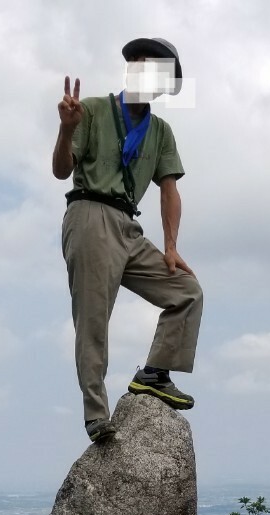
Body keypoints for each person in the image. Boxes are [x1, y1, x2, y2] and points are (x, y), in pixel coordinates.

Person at [52, 38, 203, 443]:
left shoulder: (161, 131)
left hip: (128, 226)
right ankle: (97, 417)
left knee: (186, 291)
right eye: (141, 65)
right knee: (94, 319)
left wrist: (170, 247)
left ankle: (154, 373)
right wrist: (66, 130)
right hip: (89, 212)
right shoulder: (96, 110)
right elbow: (61, 170)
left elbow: (169, 190)